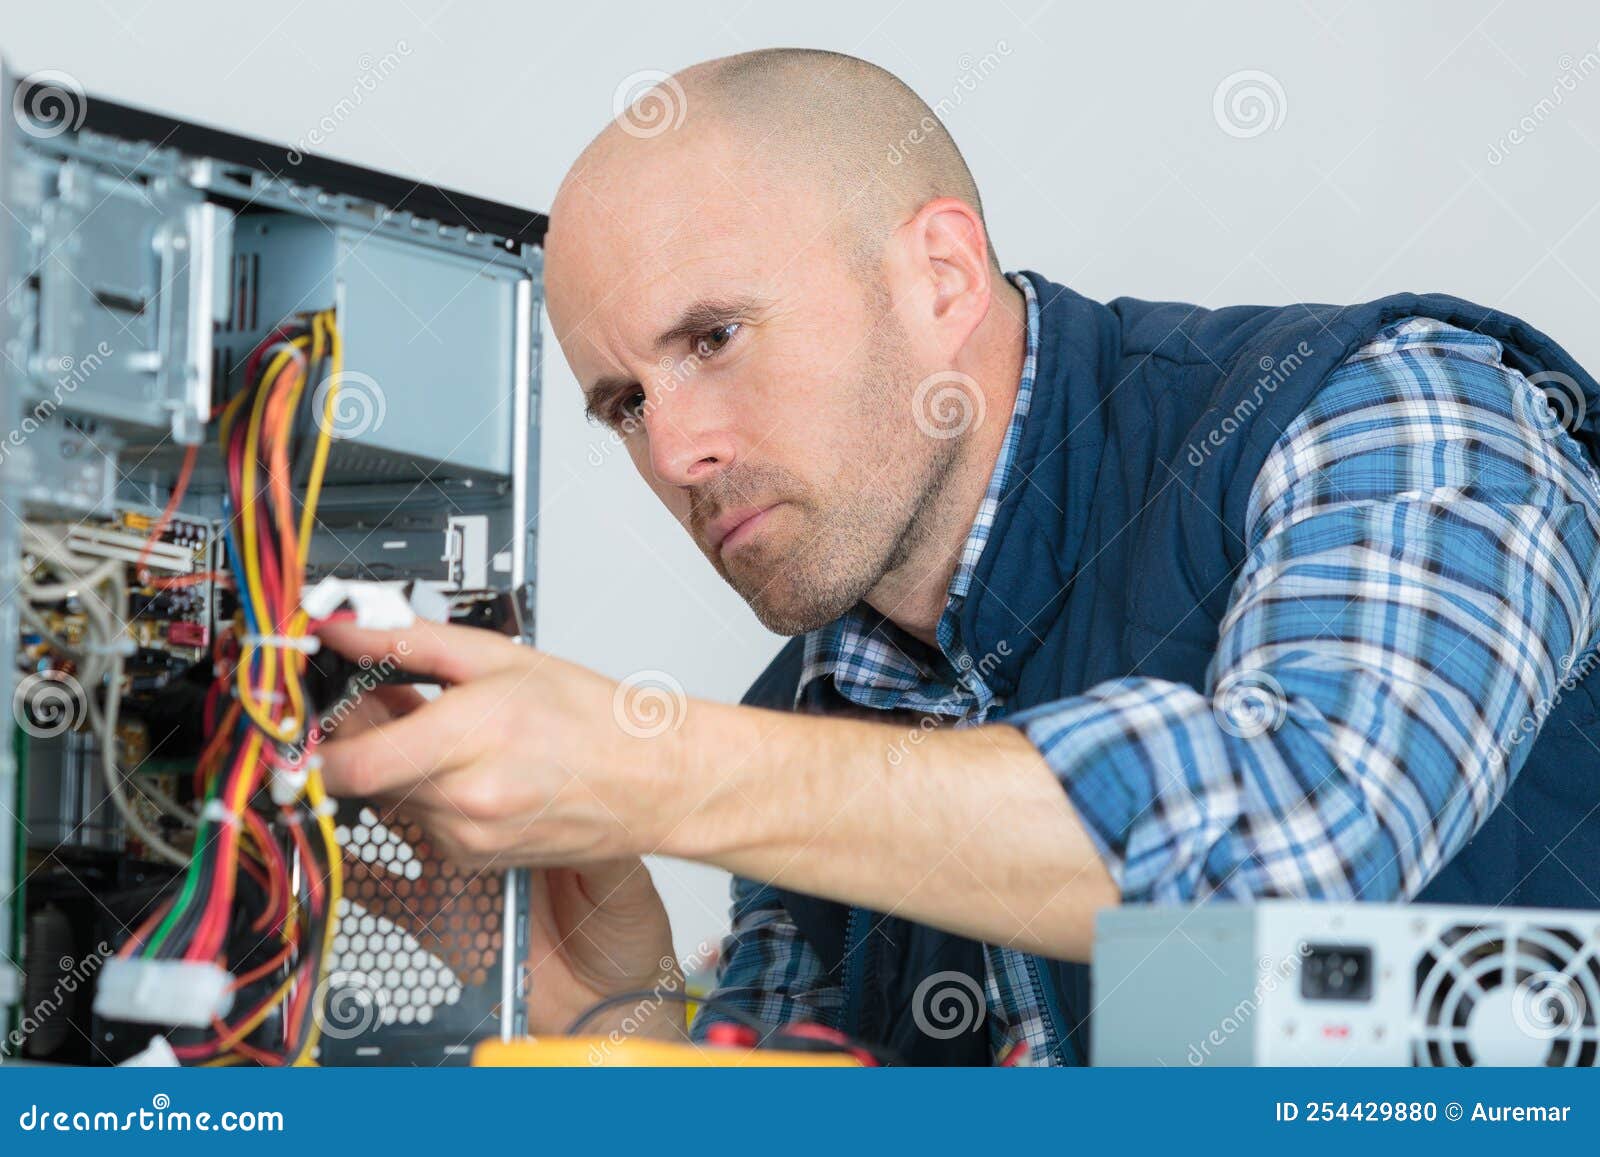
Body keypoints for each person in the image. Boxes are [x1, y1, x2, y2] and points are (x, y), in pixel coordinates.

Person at [316, 49, 1600, 1064]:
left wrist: (657, 767)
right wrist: (625, 1012)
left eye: (712, 336)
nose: (677, 452)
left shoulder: (1390, 416)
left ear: (940, 273)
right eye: (623, 404)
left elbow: (1287, 836)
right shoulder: (808, 722)